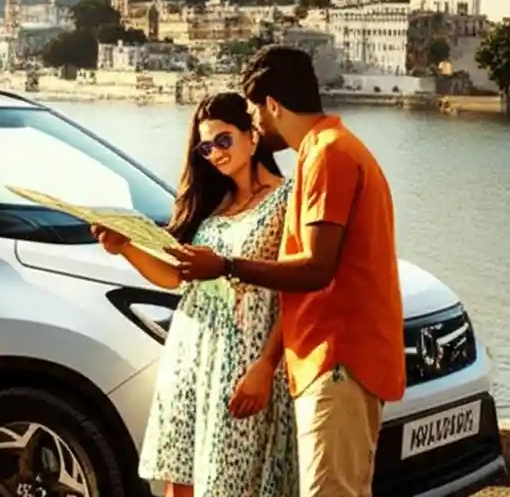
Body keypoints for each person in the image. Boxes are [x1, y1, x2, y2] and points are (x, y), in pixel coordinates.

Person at [165, 45, 406, 497]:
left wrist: (227, 265)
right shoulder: (325, 150)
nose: (254, 123)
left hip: (339, 358)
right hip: (331, 358)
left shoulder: (328, 155)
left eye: (254, 111)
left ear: (271, 105)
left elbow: (317, 268)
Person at [93, 92, 299, 497]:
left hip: (244, 358)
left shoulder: (286, 200)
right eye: (206, 147)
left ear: (252, 136)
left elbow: (295, 292)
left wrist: (266, 365)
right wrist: (126, 247)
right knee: (179, 482)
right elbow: (175, 278)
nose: (215, 154)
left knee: (232, 483)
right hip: (190, 352)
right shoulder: (211, 201)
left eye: (224, 141)